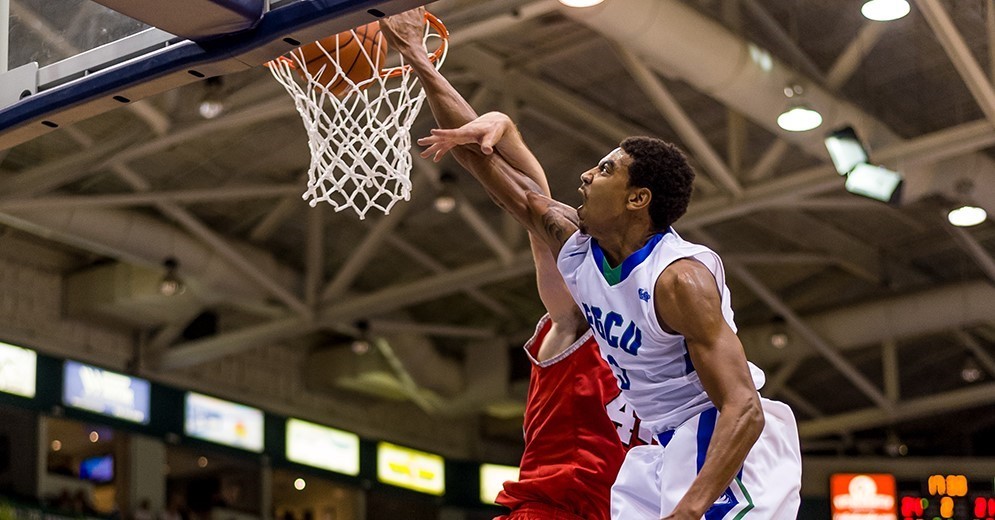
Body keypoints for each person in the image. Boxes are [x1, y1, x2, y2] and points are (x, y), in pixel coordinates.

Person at [379, 8, 802, 520]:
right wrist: (417, 57)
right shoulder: (578, 249)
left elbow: (744, 409)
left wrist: (688, 513)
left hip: (725, 440)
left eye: (605, 170)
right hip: (660, 449)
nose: (585, 176)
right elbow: (483, 160)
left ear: (637, 199)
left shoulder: (679, 278)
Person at [377, 11, 647, 520]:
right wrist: (421, 61)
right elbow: (529, 200)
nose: (587, 178)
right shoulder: (582, 313)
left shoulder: (675, 338)